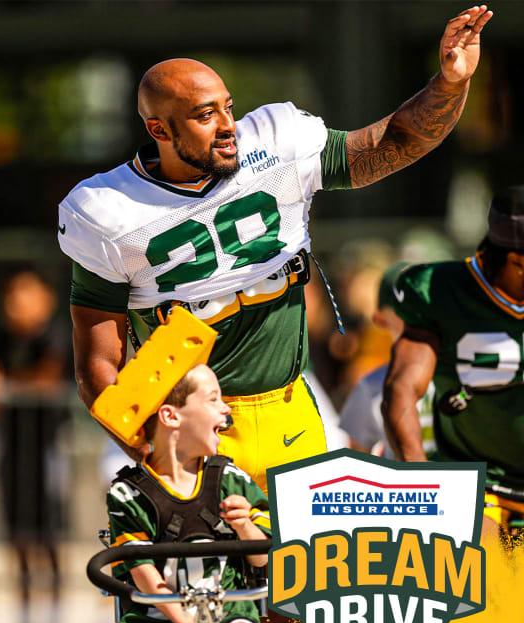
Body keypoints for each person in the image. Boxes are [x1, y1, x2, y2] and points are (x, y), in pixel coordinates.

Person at [63, 6, 493, 489]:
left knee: (320, 561)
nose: (227, 124)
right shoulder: (106, 210)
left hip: (292, 410)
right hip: (189, 423)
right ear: (160, 131)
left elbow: (395, 140)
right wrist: (152, 450)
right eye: (206, 115)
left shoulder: (275, 145)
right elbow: (97, 363)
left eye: (227, 106)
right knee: (204, 564)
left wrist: (450, 83)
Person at [98, 356, 271, 623]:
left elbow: (262, 558)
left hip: (228, 610)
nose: (226, 408)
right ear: (171, 416)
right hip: (159, 616)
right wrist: (184, 622)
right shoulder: (129, 492)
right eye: (212, 399)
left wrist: (245, 527)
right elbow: (141, 567)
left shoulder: (231, 478)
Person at [384, 185, 524, 540]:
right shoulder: (441, 291)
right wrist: (422, 486)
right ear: (516, 260)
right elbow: (401, 390)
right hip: (482, 490)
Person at [0, 268, 70, 623]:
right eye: (11, 295)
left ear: (45, 299)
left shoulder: (54, 336)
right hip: (10, 449)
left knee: (49, 536)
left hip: (46, 448)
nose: (16, 303)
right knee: (18, 537)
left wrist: (5, 388)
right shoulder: (0, 341)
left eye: (26, 294)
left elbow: (48, 382)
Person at [339, 263, 436, 458]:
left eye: (427, 308)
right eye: (405, 312)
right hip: (405, 487)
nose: (420, 319)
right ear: (380, 320)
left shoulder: (464, 370)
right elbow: (354, 461)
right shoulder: (372, 386)